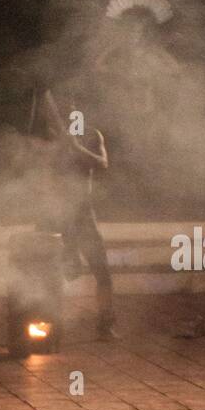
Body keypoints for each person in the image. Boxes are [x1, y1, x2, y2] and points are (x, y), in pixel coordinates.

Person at [37, 87, 116, 339]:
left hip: (85, 215)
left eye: (74, 107)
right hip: (59, 216)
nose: (71, 112)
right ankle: (46, 326)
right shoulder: (52, 141)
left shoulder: (93, 136)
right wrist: (62, 147)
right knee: (57, 273)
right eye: (65, 107)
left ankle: (106, 326)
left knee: (102, 272)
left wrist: (76, 147)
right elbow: (42, 176)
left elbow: (102, 163)